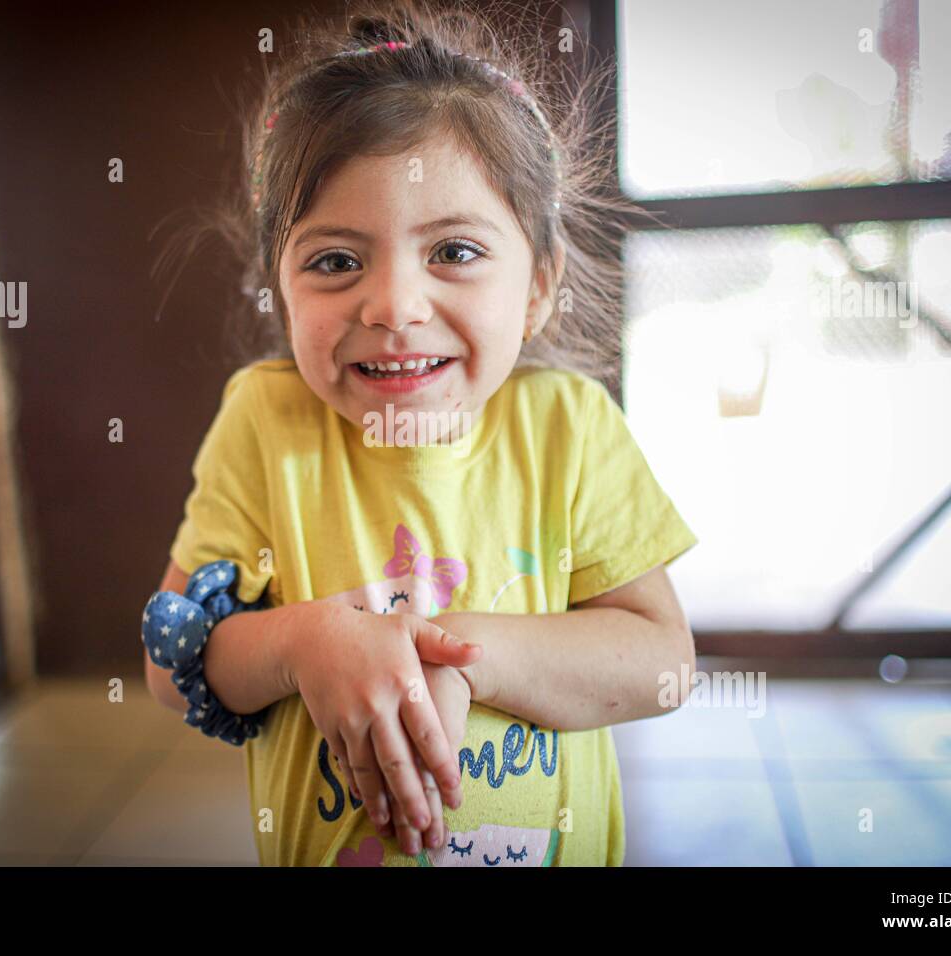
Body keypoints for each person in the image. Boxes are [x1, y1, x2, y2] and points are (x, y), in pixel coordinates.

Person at [144, 0, 698, 866]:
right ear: (282, 288)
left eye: (454, 251)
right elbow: (171, 666)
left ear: (539, 285)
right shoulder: (266, 421)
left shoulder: (569, 427)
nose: (395, 306)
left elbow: (661, 660)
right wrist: (299, 643)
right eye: (334, 261)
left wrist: (466, 658)